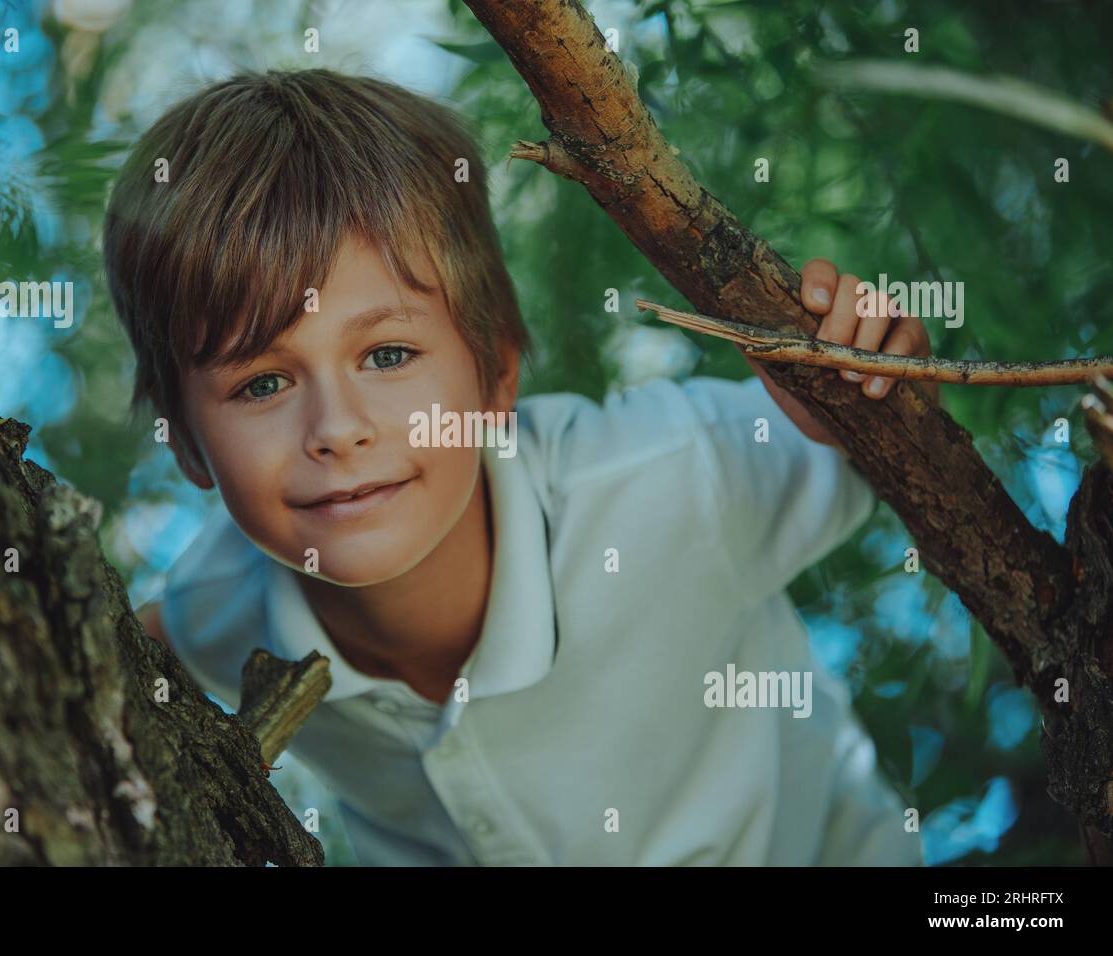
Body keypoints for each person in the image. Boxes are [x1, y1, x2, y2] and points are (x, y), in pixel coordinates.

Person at [104, 68, 934, 866]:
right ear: (182, 441)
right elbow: (122, 649)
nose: (337, 429)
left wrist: (874, 364)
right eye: (264, 383)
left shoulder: (675, 477)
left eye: (387, 354)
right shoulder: (221, 611)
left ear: (497, 372)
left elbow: (885, 439)